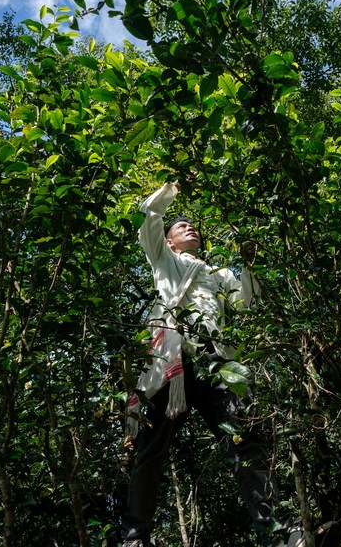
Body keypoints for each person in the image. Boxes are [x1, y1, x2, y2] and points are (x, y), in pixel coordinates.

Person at [121, 181, 296, 547]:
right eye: (181, 227)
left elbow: (246, 302)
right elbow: (149, 217)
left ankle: (275, 531)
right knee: (151, 450)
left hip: (216, 364)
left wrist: (251, 264)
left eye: (193, 226)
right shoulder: (165, 261)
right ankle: (135, 536)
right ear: (169, 241)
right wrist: (171, 188)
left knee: (245, 442)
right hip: (172, 364)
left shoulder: (218, 275)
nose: (190, 228)